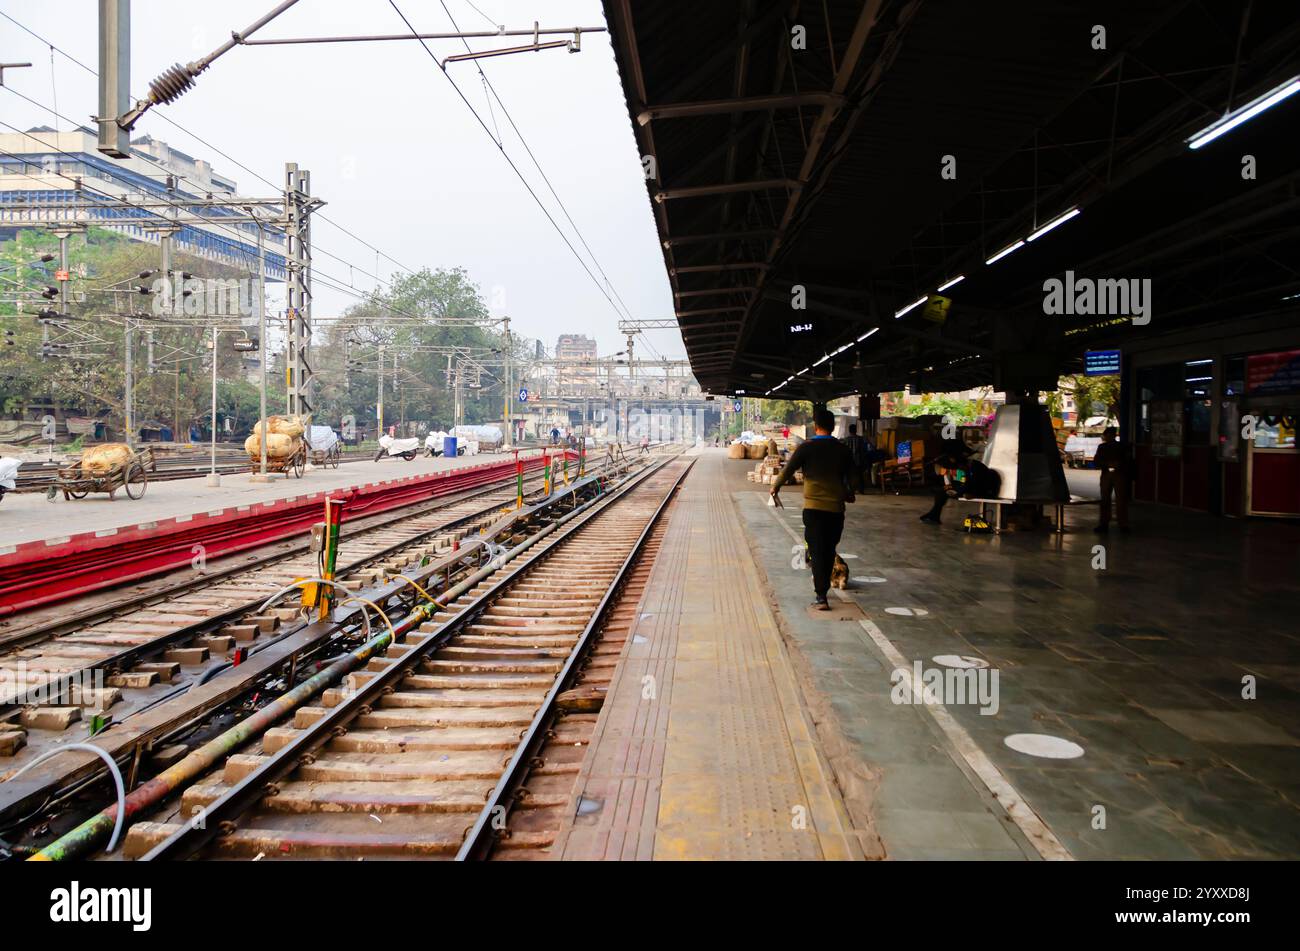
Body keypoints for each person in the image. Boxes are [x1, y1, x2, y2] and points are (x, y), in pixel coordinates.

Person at [770, 408, 856, 611]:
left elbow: (787, 470)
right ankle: (823, 587)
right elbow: (854, 477)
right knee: (829, 549)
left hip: (813, 508)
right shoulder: (842, 449)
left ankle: (821, 596)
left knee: (817, 551)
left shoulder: (806, 448)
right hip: (836, 509)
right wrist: (849, 492)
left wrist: (775, 487)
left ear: (815, 427)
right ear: (833, 427)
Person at [1092, 426, 1130, 532]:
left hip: (1107, 474)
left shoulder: (1102, 447)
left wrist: (1106, 464)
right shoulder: (1122, 446)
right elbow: (1127, 461)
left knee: (1106, 499)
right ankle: (1123, 524)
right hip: (1118, 474)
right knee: (1120, 500)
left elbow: (1097, 461)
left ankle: (1104, 523)